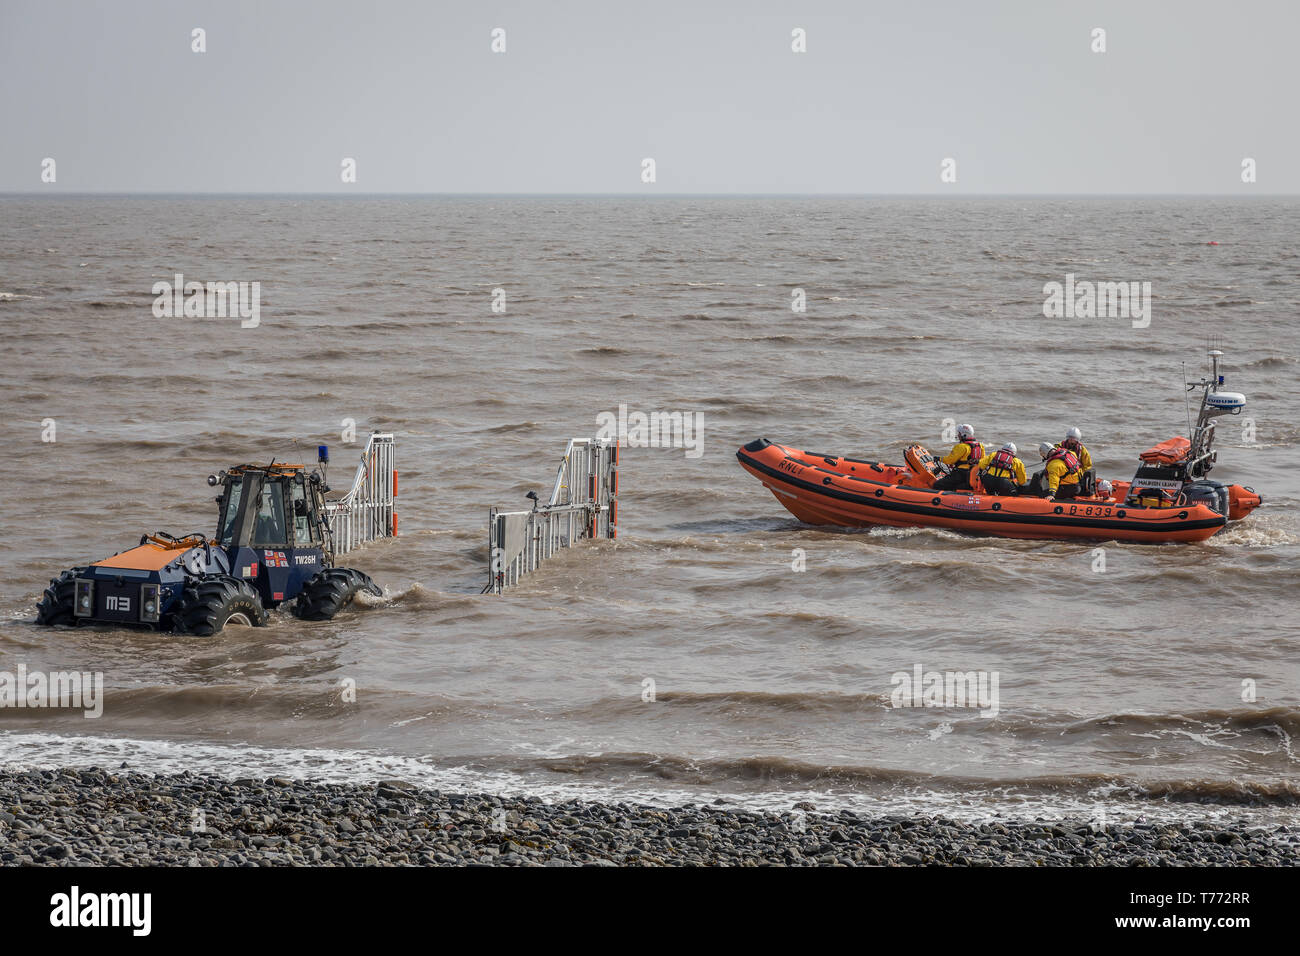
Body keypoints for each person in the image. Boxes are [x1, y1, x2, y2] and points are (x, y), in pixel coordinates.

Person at [933, 423, 984, 490]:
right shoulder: (980, 446)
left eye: (959, 433)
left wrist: (939, 458)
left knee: (937, 485)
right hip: (973, 474)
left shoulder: (961, 447)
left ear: (964, 434)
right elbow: (983, 460)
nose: (958, 435)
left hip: (961, 474)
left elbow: (950, 460)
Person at [1057, 427, 1094, 494]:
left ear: (1077, 439)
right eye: (1070, 438)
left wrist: (1080, 473)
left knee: (1076, 489)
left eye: (1073, 438)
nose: (1071, 440)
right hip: (1061, 471)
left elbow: (1087, 465)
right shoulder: (1060, 447)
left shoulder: (1082, 450)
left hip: (1075, 474)